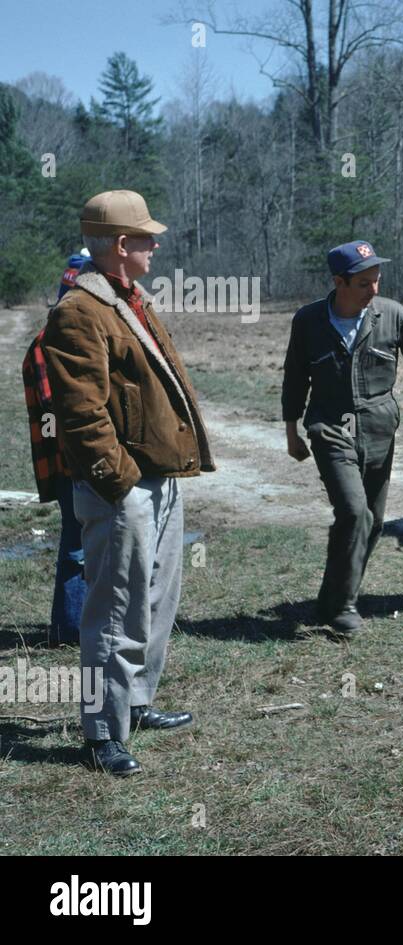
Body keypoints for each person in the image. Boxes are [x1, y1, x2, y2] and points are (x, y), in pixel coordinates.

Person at [42, 191, 215, 776]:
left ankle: (135, 704)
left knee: (155, 599)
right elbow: (82, 415)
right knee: (114, 611)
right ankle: (101, 731)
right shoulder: (78, 311)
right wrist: (120, 483)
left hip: (157, 480)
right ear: (120, 246)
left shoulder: (128, 298)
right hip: (123, 488)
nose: (155, 243)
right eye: (145, 236)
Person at [282, 240, 403, 637]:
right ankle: (343, 606)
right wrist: (291, 430)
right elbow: (294, 378)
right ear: (338, 282)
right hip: (330, 426)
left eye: (377, 280)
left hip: (378, 428)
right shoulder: (308, 321)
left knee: (372, 522)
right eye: (363, 283)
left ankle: (332, 597)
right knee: (354, 512)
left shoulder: (392, 315)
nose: (373, 290)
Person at [22, 249, 91, 645]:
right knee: (77, 547)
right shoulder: (48, 342)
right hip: (69, 464)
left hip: (78, 461)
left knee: (86, 545)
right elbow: (56, 404)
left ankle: (80, 624)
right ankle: (69, 630)